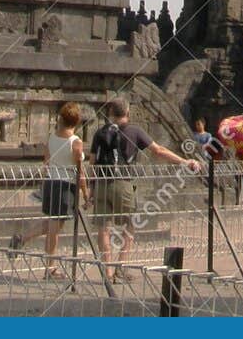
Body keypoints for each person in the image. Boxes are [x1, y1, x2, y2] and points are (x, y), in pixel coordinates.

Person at [90, 99, 200, 280]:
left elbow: (93, 162)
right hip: (123, 182)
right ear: (127, 112)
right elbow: (158, 150)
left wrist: (91, 188)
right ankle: (120, 266)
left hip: (102, 181)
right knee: (130, 225)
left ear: (111, 113)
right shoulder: (135, 131)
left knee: (103, 228)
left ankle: (107, 270)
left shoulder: (100, 132)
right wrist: (184, 161)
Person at [41, 102, 87, 274]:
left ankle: (24, 239)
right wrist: (85, 191)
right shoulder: (75, 142)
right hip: (66, 185)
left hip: (52, 181)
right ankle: (50, 266)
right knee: (54, 229)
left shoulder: (51, 137)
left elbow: (46, 161)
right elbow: (79, 170)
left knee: (52, 226)